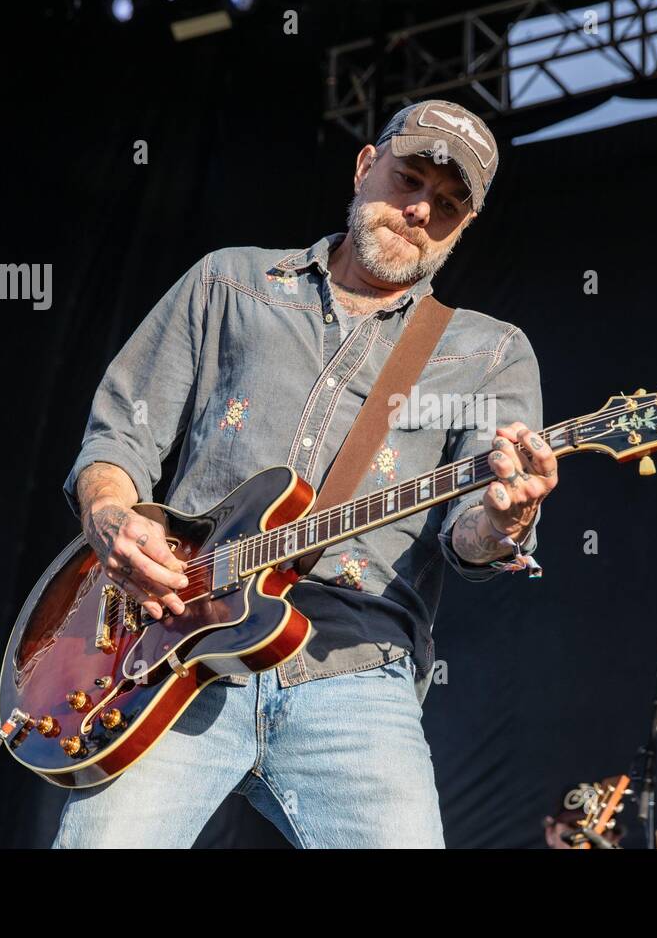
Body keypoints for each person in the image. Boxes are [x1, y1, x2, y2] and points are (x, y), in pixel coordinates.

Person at [52, 99, 558, 848]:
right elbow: (117, 435)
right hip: (170, 650)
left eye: (448, 206)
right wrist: (114, 522)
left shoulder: (489, 351)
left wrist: (505, 519)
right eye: (408, 179)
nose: (420, 210)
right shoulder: (230, 282)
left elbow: (470, 539)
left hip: (353, 672)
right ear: (363, 166)